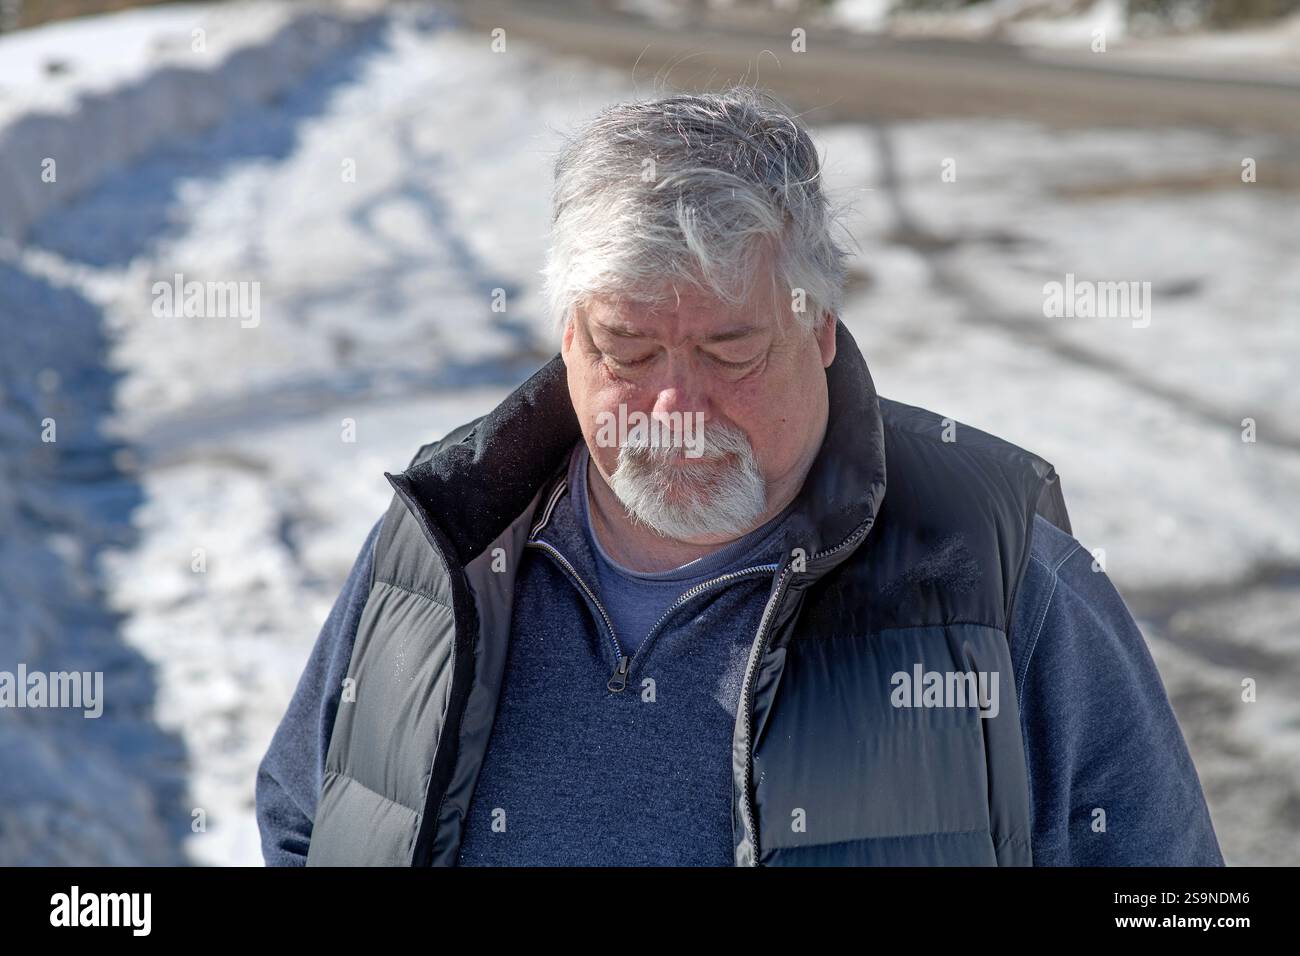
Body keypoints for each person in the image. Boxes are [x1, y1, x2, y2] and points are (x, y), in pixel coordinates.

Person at [256, 85, 1223, 866]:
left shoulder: (1000, 580)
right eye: (627, 350)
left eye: (730, 350)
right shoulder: (442, 547)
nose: (675, 413)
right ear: (568, 337)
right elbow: (308, 822)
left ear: (821, 329)